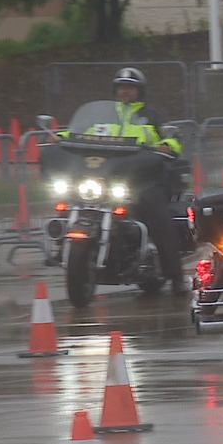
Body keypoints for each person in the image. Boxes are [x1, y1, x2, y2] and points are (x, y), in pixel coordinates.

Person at [59, 67, 187, 292]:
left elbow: (172, 140)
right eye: (121, 87)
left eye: (130, 88)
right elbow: (78, 134)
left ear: (140, 92)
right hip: (104, 177)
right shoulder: (100, 117)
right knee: (65, 201)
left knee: (158, 215)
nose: (125, 92)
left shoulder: (151, 117)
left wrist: (167, 147)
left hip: (143, 179)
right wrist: (59, 139)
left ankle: (175, 275)